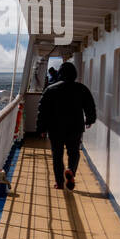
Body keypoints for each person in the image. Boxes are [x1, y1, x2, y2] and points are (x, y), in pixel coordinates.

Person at [37, 60, 97, 190]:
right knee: (74, 152)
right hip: (75, 127)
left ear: (60, 74)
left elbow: (43, 110)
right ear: (74, 74)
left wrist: (41, 128)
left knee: (57, 155)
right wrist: (90, 120)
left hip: (55, 128)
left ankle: (59, 183)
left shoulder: (50, 90)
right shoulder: (81, 88)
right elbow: (90, 105)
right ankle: (71, 171)